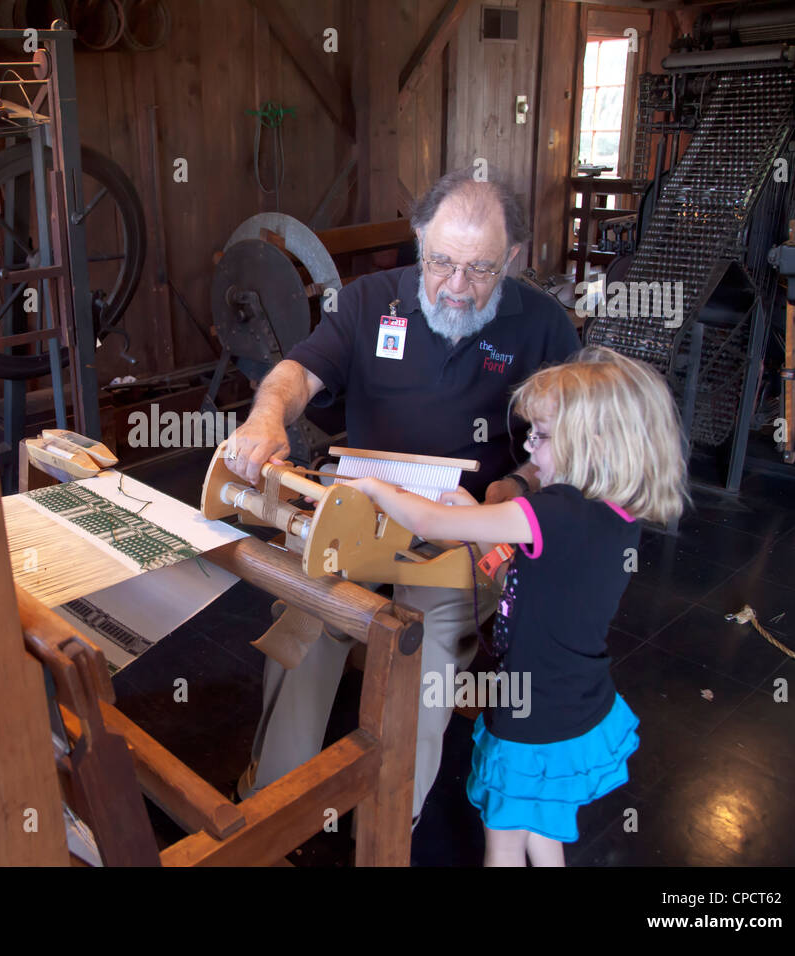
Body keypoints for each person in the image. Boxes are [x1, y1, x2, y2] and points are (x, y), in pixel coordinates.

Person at [223, 165, 581, 821]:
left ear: (514, 258)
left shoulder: (544, 326)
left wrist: (517, 485)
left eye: (481, 270)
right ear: (420, 240)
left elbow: (572, 446)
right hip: (361, 509)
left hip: (466, 526)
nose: (456, 287)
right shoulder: (369, 301)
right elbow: (297, 373)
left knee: (424, 641)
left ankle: (388, 824)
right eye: (442, 262)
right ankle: (273, 804)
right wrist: (266, 415)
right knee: (309, 614)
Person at [347, 347, 688, 865]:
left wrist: (377, 486)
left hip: (531, 714)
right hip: (577, 700)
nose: (530, 446)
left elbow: (431, 526)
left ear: (593, 443)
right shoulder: (615, 512)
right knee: (540, 824)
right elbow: (524, 576)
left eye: (543, 436)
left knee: (503, 843)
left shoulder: (551, 510)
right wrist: (476, 513)